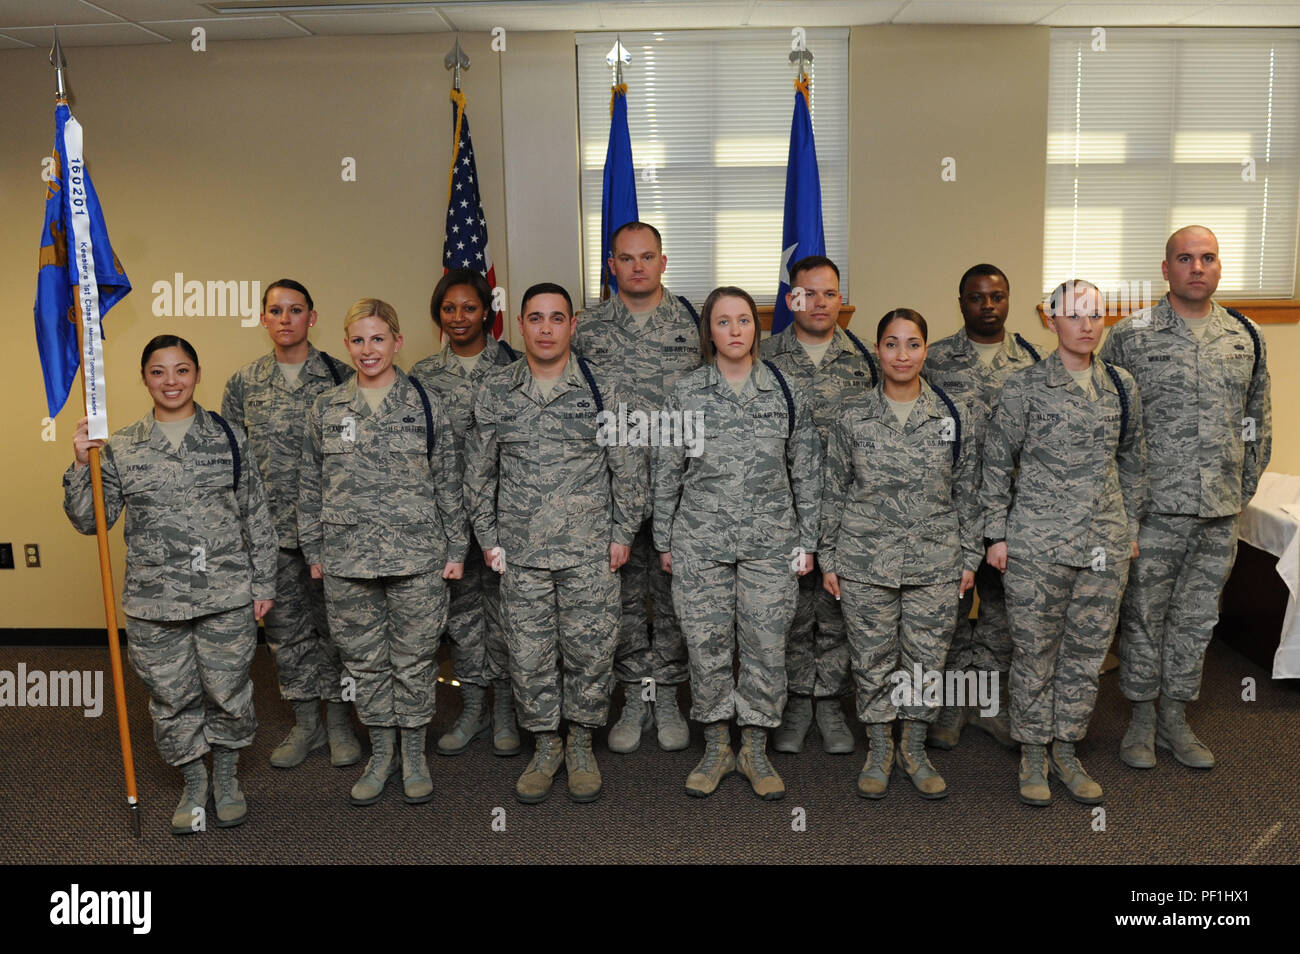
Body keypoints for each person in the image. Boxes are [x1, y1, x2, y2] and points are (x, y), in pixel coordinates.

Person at [64, 335, 277, 834]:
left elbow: (256, 516)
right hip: (154, 600)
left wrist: (264, 581)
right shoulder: (119, 446)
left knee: (229, 691)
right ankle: (192, 780)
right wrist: (79, 464)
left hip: (224, 593)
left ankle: (226, 778)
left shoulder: (228, 437)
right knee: (170, 696)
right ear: (144, 379)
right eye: (158, 372)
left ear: (197, 374)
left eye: (181, 370)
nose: (171, 381)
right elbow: (91, 522)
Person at [1099, 226, 1271, 771]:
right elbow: (1109, 420)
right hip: (1151, 510)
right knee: (1145, 616)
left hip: (1218, 511)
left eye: (1208, 258)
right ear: (1166, 267)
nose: (1197, 267)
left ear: (1219, 267)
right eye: (1185, 258)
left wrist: (1240, 490)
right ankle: (1141, 721)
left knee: (1197, 619)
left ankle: (1175, 716)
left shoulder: (1245, 335)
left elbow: (1257, 422)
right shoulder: (1131, 335)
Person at [465, 283, 643, 804]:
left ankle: (582, 740)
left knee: (591, 648)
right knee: (529, 651)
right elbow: (479, 474)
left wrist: (622, 533)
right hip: (520, 553)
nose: (546, 328)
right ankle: (546, 744)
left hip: (589, 549)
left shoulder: (603, 390)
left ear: (572, 326)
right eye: (536, 318)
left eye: (557, 318)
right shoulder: (496, 391)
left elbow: (628, 469)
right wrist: (489, 539)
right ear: (520, 325)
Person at [982, 280, 1147, 805]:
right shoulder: (1024, 387)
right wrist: (996, 534)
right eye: (1074, 315)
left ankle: (1066, 748)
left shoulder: (1121, 385)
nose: (1087, 325)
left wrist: (1131, 530)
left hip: (1104, 546)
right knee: (1034, 653)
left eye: (1096, 315)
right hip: (1037, 545)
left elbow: (1134, 461)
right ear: (1051, 321)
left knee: (1085, 654)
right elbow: (995, 464)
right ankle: (1033, 753)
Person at [654, 286, 821, 800]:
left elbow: (807, 471)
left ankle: (753, 746)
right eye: (722, 322)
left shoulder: (788, 390)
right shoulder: (686, 393)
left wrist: (809, 540)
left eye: (743, 320)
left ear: (757, 327)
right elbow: (667, 470)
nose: (734, 331)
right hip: (699, 543)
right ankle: (716, 744)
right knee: (706, 648)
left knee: (766, 647)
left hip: (771, 545)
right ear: (710, 331)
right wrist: (663, 537)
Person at [299, 298, 467, 806]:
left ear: (396, 341)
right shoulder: (326, 408)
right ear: (345, 344)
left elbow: (450, 481)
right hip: (347, 558)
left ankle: (414, 755)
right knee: (365, 663)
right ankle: (381, 752)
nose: (367, 349)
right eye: (357, 340)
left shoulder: (427, 404)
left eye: (377, 339)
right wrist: (313, 546)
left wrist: (457, 548)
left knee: (415, 661)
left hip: (416, 556)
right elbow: (310, 484)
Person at [821, 309, 979, 800]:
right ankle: (879, 747)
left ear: (926, 351)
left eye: (912, 344)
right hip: (865, 559)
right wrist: (827, 557)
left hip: (935, 559)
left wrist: (970, 557)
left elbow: (970, 493)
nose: (902, 354)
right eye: (891, 344)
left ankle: (913, 746)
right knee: (871, 659)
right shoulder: (852, 416)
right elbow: (833, 489)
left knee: (925, 660)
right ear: (878, 351)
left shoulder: (953, 416)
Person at [221, 278, 361, 771]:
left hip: (333, 533)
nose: (285, 318)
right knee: (286, 635)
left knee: (339, 631)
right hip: (271, 536)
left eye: (295, 309)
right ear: (263, 319)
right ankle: (308, 725)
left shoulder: (343, 377)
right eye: (276, 310)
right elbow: (232, 466)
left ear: (312, 317)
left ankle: (342, 724)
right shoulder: (243, 384)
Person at [572, 221, 700, 754]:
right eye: (626, 258)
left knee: (673, 597)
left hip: (679, 486)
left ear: (663, 262)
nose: (638, 266)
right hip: (608, 489)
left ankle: (667, 693)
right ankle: (631, 692)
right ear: (612, 266)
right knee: (620, 597)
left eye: (648, 257)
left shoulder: (692, 323)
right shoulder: (589, 328)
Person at [761, 255, 877, 756]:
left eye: (829, 293)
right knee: (785, 611)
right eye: (808, 293)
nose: (819, 302)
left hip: (847, 511)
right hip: (778, 509)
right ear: (791, 300)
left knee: (834, 612)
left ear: (841, 300)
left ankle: (828, 701)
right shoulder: (763, 358)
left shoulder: (867, 360)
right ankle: (794, 702)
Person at [923, 264, 1042, 750]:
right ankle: (950, 707)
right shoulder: (933, 360)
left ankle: (988, 705)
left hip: (1012, 514)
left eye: (996, 296)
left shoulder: (1034, 362)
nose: (987, 305)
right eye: (976, 297)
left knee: (999, 613)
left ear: (1009, 300)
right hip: (948, 509)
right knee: (946, 611)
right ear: (961, 303)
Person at [410, 268, 521, 758]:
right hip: (446, 519)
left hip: (507, 517)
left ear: (487, 311)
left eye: (469, 307)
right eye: (449, 308)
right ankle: (474, 706)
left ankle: (506, 711)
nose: (459, 317)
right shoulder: (420, 378)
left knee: (506, 615)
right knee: (463, 618)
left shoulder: (517, 368)